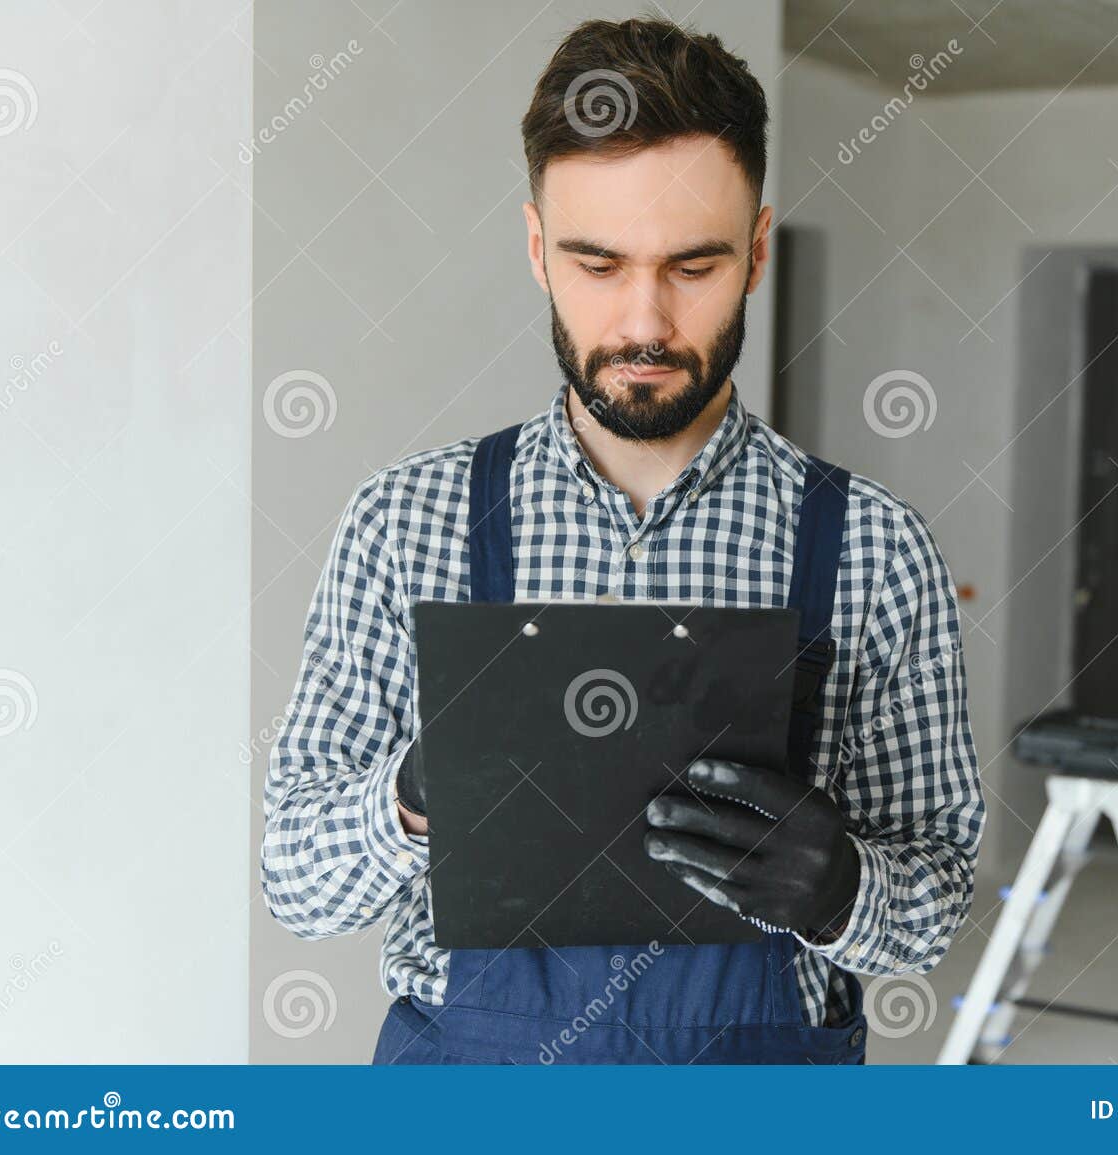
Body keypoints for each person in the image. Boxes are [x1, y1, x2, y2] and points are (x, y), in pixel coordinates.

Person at [260, 14, 983, 1065]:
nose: (643, 323)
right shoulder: (403, 524)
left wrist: (846, 889)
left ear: (757, 253)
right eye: (597, 264)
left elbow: (935, 906)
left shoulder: (874, 548)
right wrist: (418, 794)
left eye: (692, 267)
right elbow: (296, 883)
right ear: (536, 249)